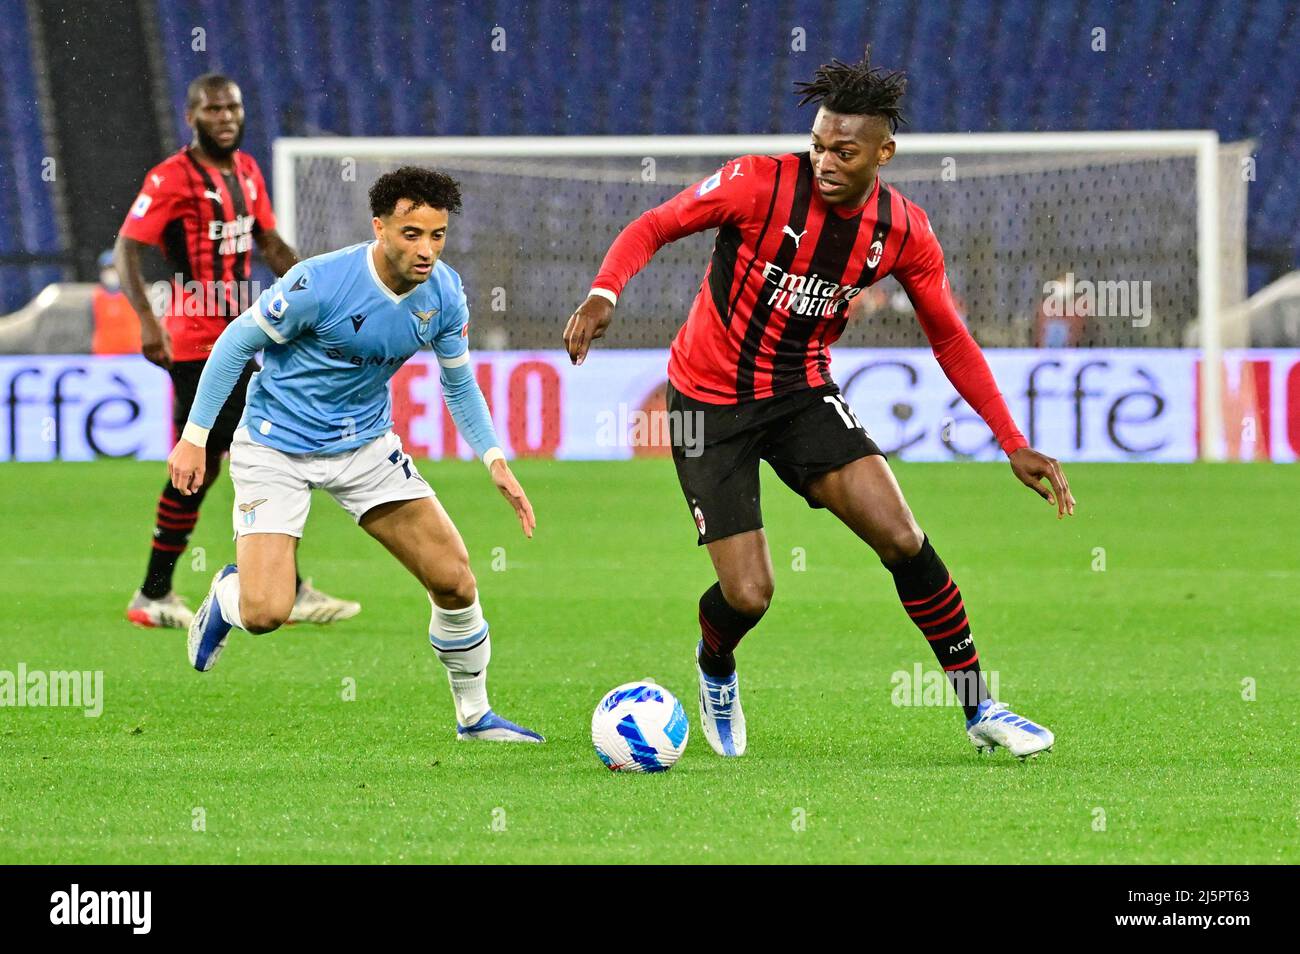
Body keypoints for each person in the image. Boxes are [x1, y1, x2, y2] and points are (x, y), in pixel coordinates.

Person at [564, 51, 1075, 760]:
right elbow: (654, 225)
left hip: (801, 391)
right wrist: (604, 292)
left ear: (883, 154)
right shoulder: (755, 184)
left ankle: (979, 706)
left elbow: (951, 339)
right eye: (818, 146)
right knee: (748, 596)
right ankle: (715, 667)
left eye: (845, 151)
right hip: (707, 404)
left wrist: (1011, 438)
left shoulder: (904, 231)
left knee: (901, 536)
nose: (826, 162)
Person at [166, 167, 543, 743]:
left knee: (455, 579)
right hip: (276, 446)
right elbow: (237, 341)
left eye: (438, 235)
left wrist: (494, 457)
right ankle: (226, 596)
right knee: (267, 612)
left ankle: (474, 717)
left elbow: (459, 383)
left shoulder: (444, 293)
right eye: (411, 234)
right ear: (380, 227)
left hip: (364, 447)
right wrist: (195, 436)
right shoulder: (319, 282)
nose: (426, 250)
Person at [116, 72, 357, 628]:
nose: (225, 117)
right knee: (214, 459)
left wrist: (311, 289)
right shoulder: (171, 177)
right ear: (191, 116)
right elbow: (128, 246)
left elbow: (267, 241)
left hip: (244, 334)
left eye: (233, 108)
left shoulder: (247, 171)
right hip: (195, 342)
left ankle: (251, 587)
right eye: (213, 109)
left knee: (250, 454)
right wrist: (148, 322)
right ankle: (159, 592)